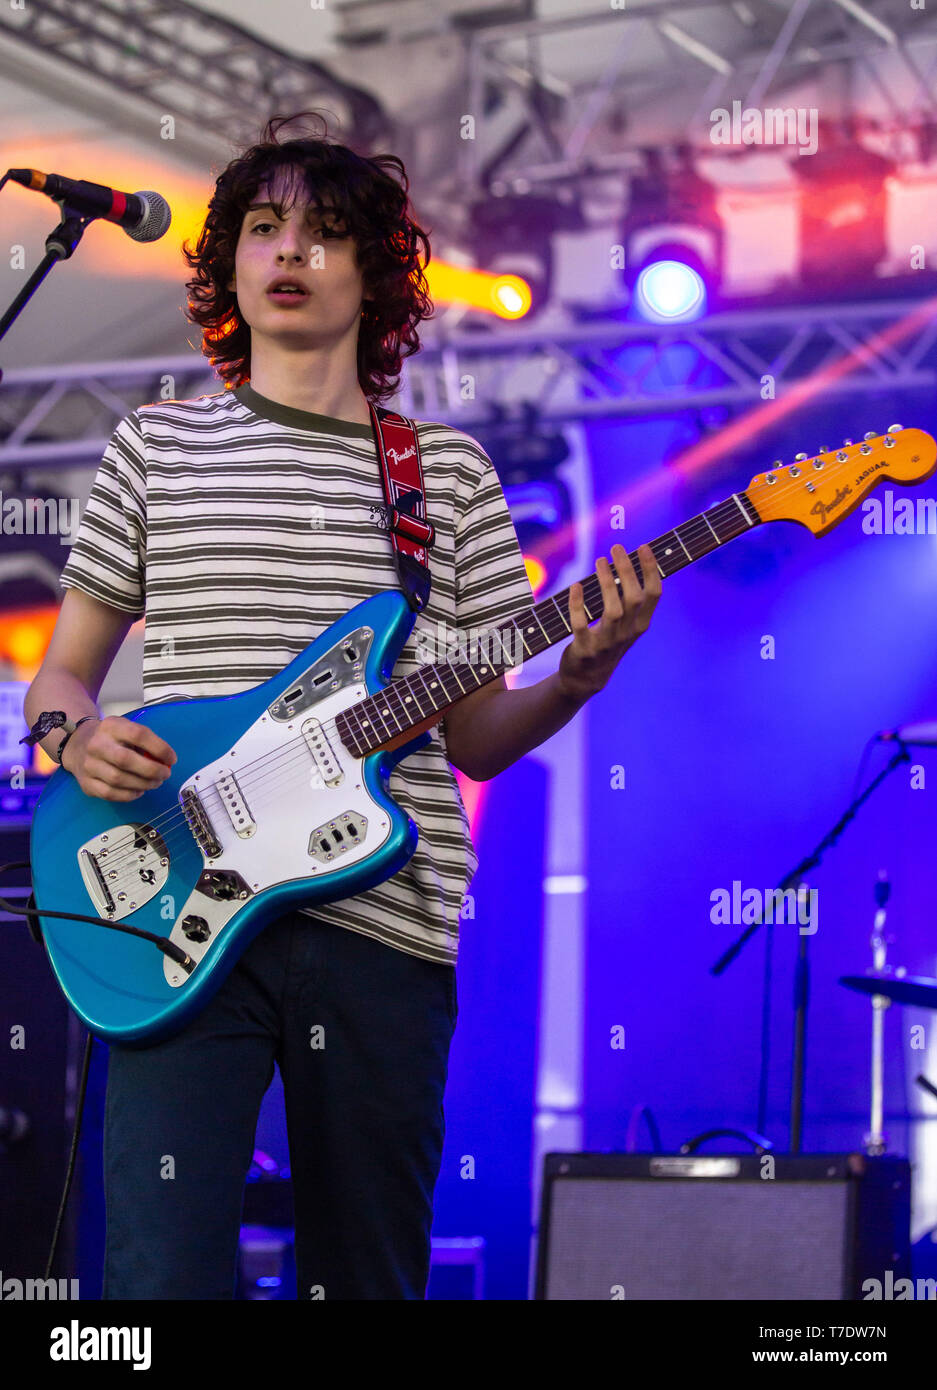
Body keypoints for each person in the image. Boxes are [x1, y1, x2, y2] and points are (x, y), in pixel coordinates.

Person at [22, 112, 661, 1300]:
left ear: (375, 273)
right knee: (156, 1282)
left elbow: (471, 731)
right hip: (171, 904)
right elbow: (63, 674)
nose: (288, 252)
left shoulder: (448, 475)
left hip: (385, 922)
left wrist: (578, 674)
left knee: (366, 1276)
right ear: (229, 269)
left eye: (322, 235)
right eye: (263, 230)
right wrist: (74, 735)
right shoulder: (155, 448)